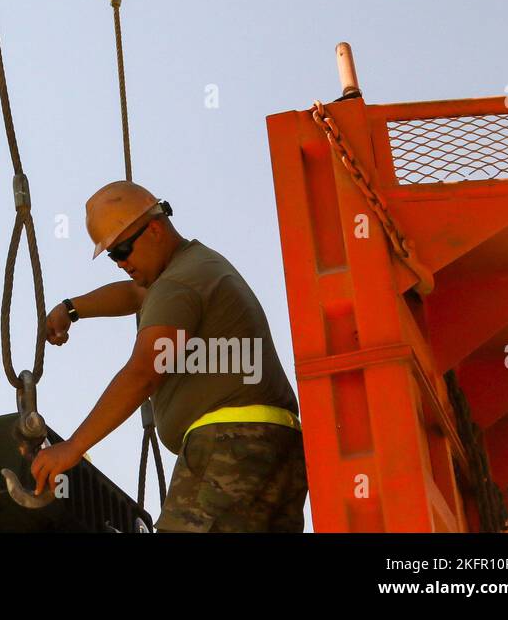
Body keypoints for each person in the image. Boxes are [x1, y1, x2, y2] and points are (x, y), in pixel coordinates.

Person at [30, 180, 308, 532]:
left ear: (155, 230)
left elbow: (143, 373)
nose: (120, 263)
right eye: (113, 255)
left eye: (123, 250)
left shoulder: (178, 284)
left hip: (230, 445)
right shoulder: (197, 266)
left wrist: (71, 448)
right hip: (274, 450)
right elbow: (136, 294)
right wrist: (71, 309)